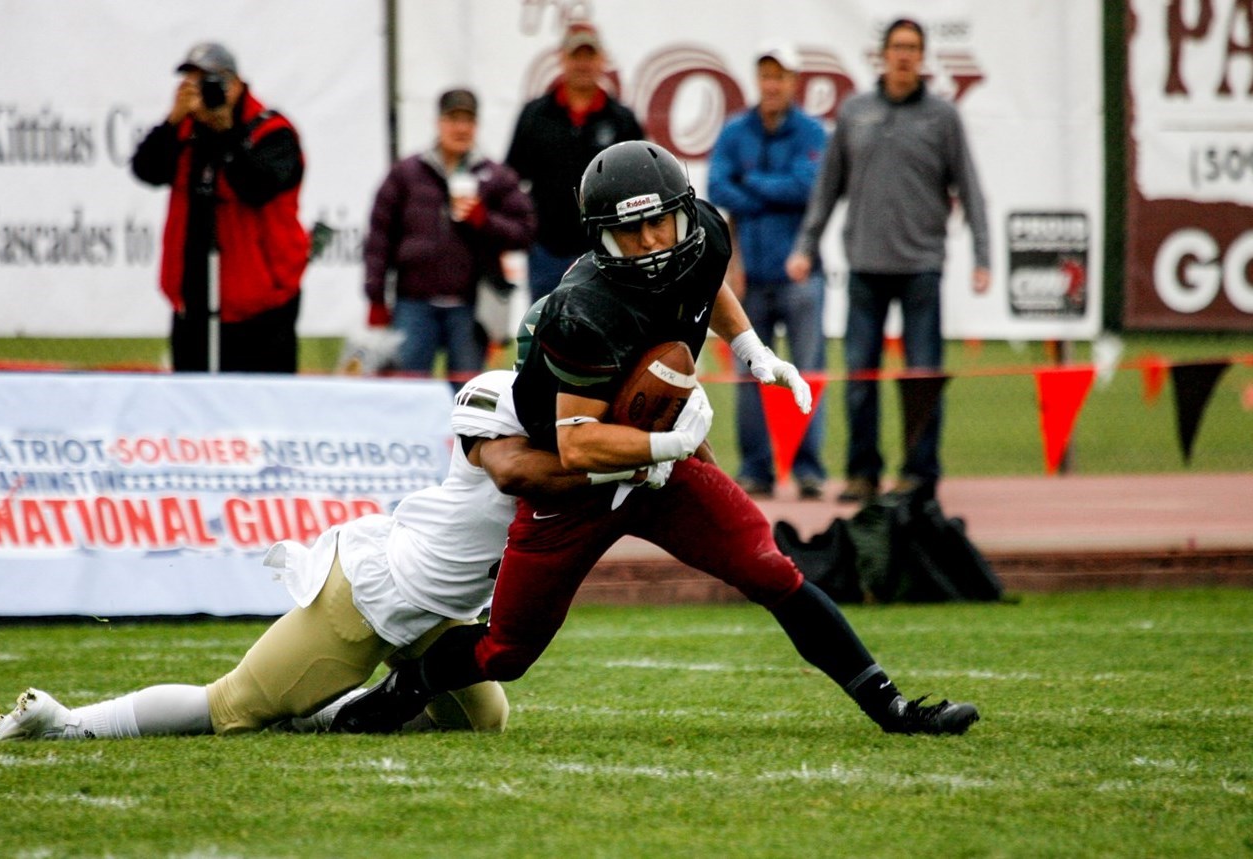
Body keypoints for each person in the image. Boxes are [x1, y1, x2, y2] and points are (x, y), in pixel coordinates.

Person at [327, 140, 980, 738]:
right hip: (572, 484)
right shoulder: (583, 307)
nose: (649, 241)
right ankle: (408, 683)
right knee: (508, 650)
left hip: (658, 464)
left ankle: (890, 706)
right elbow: (579, 444)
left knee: (770, 568)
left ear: (683, 212)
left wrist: (752, 350)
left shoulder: (706, 236)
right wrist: (669, 446)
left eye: (658, 221)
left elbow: (708, 285)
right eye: (629, 229)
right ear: (601, 237)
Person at [0, 358, 649, 741]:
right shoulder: (498, 400)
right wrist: (634, 458)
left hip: (437, 613)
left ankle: (329, 708)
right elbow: (517, 473)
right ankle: (68, 723)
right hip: (372, 593)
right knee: (231, 706)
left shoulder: (579, 421)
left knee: (483, 723)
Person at [786, 18, 991, 503]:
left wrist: (983, 255)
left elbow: (971, 188)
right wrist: (805, 246)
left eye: (912, 48)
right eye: (897, 47)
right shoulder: (855, 112)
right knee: (860, 376)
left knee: (921, 377)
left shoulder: (942, 117)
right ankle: (862, 474)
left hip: (922, 266)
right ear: (883, 55)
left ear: (922, 58)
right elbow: (827, 188)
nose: (904, 56)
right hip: (864, 267)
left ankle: (919, 476)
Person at [131, 42, 308, 374]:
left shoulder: (272, 133)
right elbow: (147, 170)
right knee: (194, 411)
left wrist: (226, 131)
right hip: (194, 297)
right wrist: (172, 122)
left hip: (261, 306)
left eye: (210, 81)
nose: (203, 91)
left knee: (261, 410)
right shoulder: (185, 131)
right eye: (193, 82)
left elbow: (256, 188)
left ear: (236, 84)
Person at [708, 43, 830, 500]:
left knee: (808, 372)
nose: (772, 84)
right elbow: (717, 186)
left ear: (794, 82)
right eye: (766, 75)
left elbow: (808, 188)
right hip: (749, 277)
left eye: (781, 76)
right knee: (751, 376)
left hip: (801, 275)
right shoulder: (736, 131)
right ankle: (756, 469)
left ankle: (808, 468)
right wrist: (770, 193)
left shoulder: (813, 132)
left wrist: (751, 186)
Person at [365, 89, 536, 379]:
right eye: (453, 119)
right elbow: (379, 238)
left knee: (467, 394)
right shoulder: (407, 173)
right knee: (408, 392)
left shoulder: (495, 176)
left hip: (471, 307)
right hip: (414, 302)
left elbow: (525, 231)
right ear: (438, 122)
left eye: (468, 120)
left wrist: (485, 221)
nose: (460, 128)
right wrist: (376, 298)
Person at [506, 20, 645, 303]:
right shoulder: (535, 115)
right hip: (547, 249)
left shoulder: (621, 120)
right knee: (545, 334)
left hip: (606, 251)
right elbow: (511, 177)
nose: (583, 64)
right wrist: (527, 226)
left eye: (589, 56)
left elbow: (641, 183)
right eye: (575, 56)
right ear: (562, 58)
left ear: (602, 60)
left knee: (604, 337)